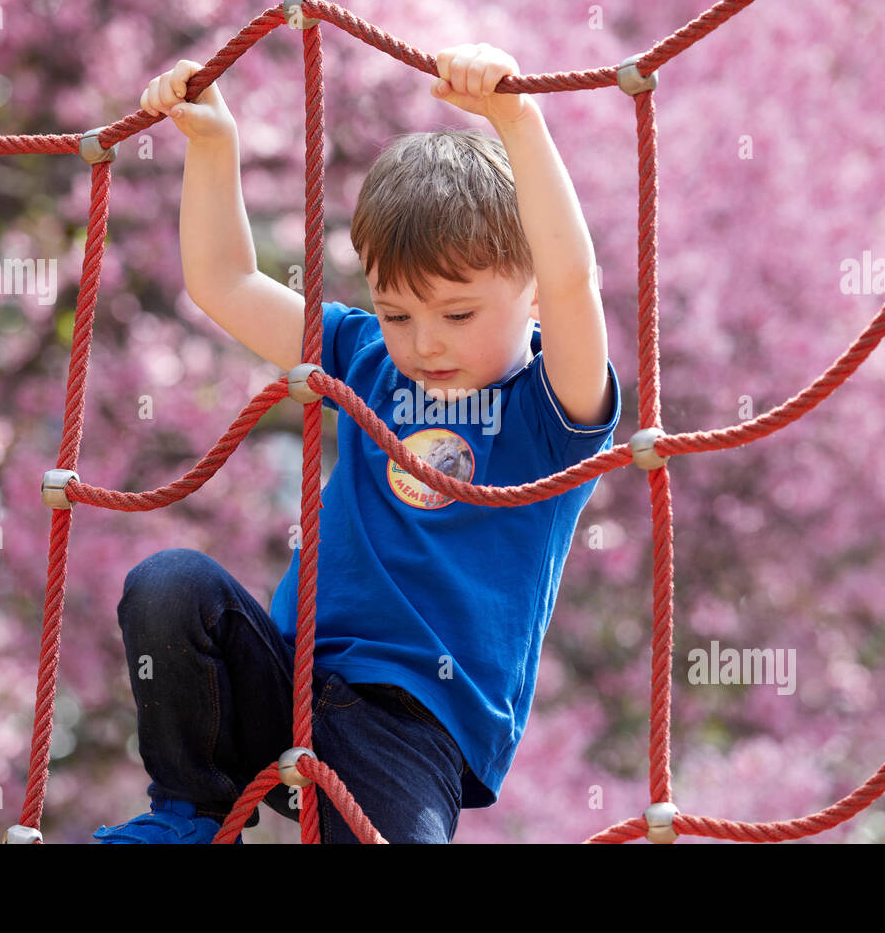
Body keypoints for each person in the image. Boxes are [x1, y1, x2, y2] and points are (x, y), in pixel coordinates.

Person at [93, 43, 620, 844]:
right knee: (170, 585)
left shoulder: (551, 413)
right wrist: (212, 148)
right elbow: (223, 283)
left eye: (458, 314)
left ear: (530, 290)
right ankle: (191, 814)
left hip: (410, 732)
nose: (425, 342)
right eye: (399, 312)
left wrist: (519, 121)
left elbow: (577, 280)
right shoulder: (361, 358)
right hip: (287, 680)